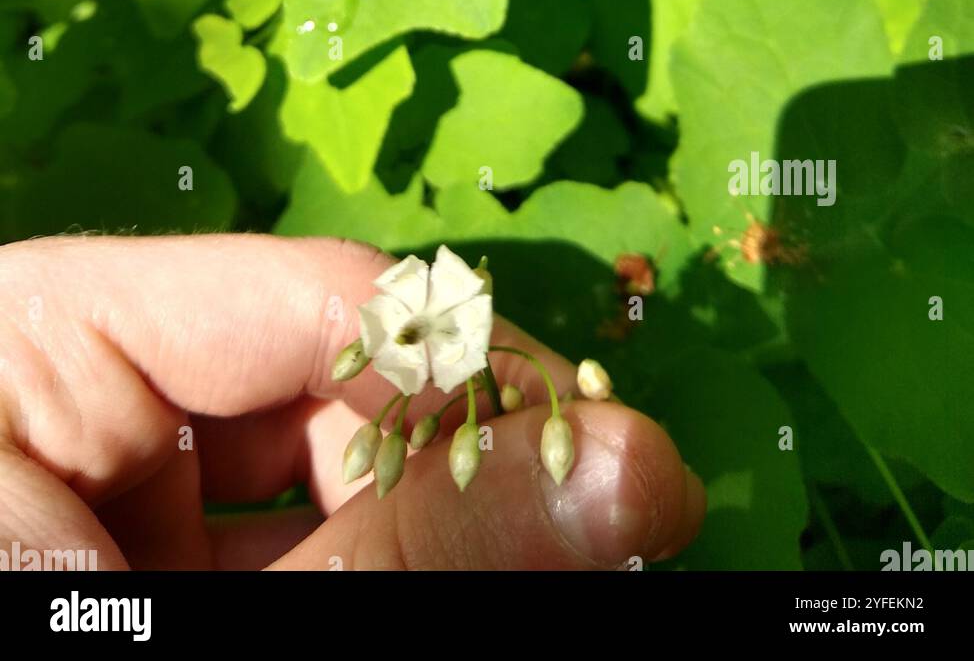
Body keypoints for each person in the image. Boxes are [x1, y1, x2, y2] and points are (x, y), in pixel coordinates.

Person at [0, 234, 705, 570]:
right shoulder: (416, 341)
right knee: (439, 441)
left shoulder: (459, 323)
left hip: (451, 338)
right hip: (440, 346)